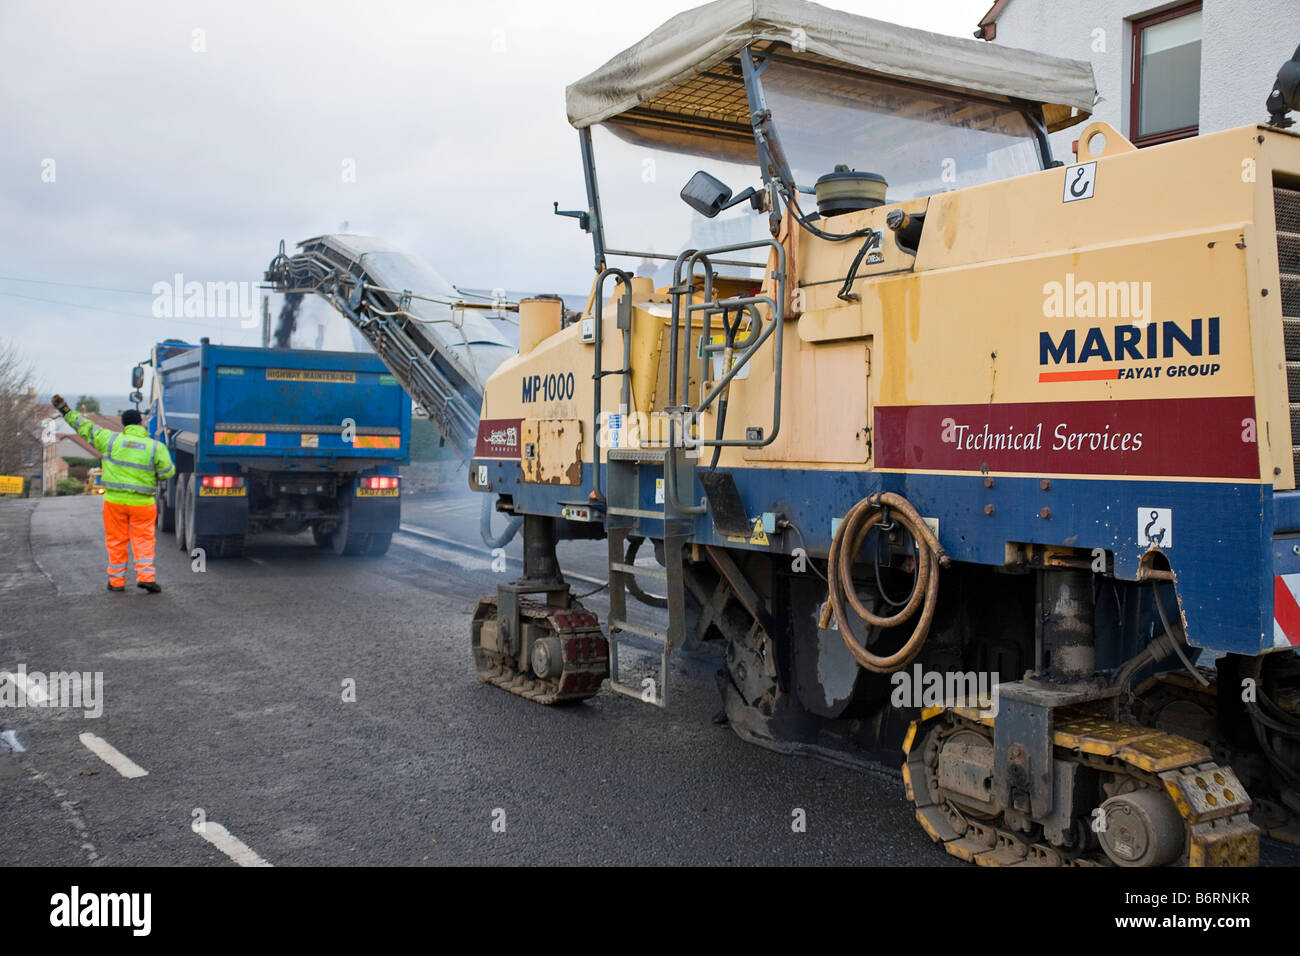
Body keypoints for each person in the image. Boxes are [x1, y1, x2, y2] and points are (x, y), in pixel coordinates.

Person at [51, 395, 176, 593]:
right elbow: (168, 472)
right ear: (141, 423)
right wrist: (155, 476)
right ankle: (146, 577)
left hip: (114, 502)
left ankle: (117, 582)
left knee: (116, 541)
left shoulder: (109, 440)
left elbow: (83, 426)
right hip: (143, 503)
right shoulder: (155, 447)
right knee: (143, 539)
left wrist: (65, 410)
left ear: (124, 424)